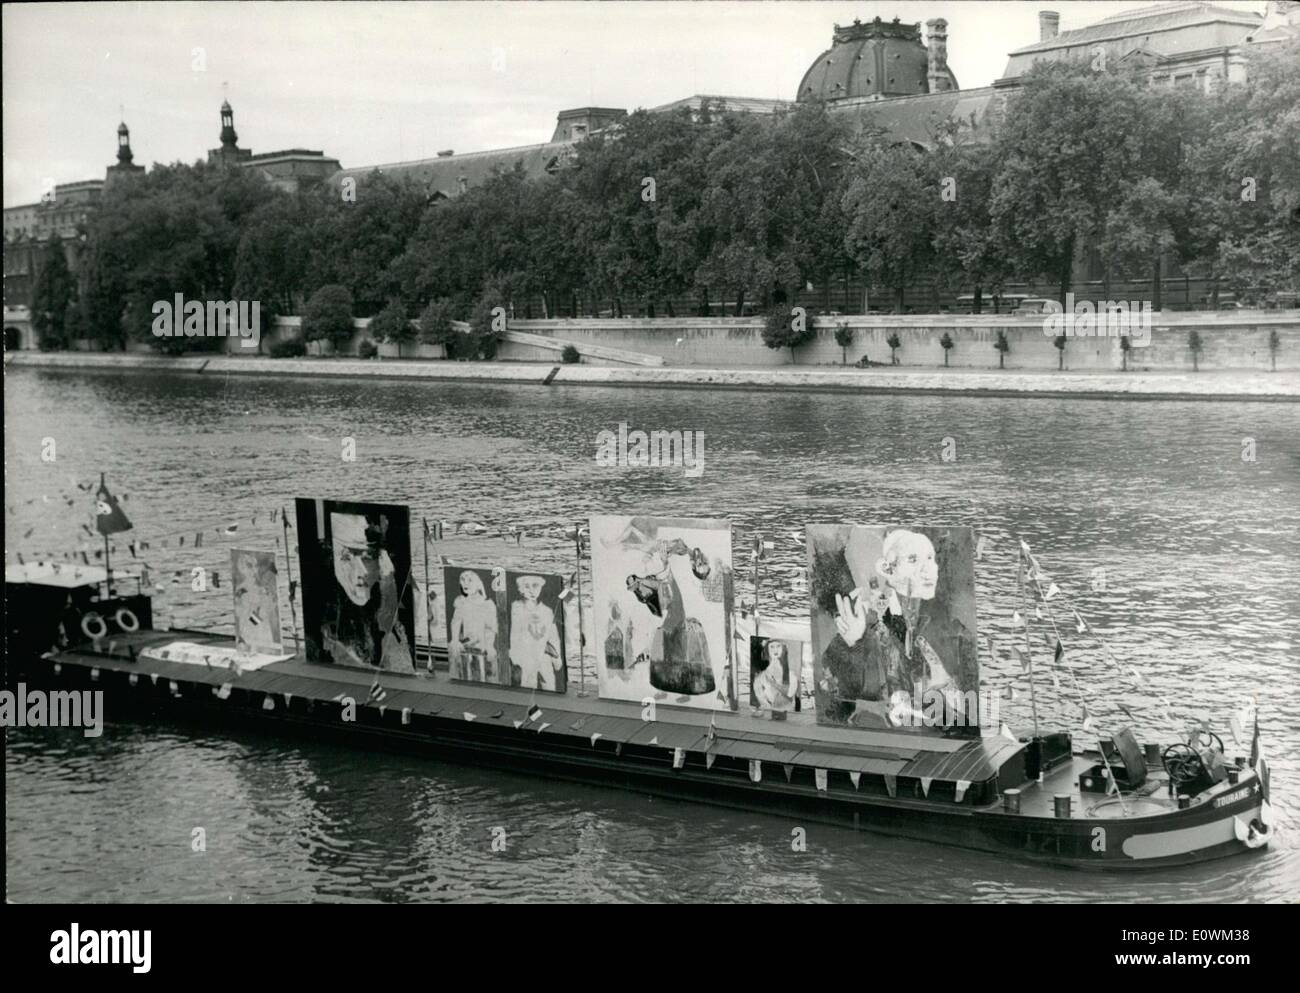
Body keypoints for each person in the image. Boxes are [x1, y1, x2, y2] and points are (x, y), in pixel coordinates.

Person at [819, 528, 959, 728]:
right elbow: (837, 695)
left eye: (930, 558)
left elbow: (957, 702)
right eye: (913, 559)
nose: (928, 569)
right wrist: (855, 643)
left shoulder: (943, 624)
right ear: (886, 569)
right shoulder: (864, 624)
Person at [318, 511, 413, 673]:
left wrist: (388, 585)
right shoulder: (325, 618)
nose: (362, 571)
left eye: (368, 556)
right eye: (346, 557)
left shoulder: (389, 608)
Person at [510, 575, 563, 691]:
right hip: (526, 656)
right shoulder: (516, 608)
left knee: (549, 684)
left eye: (535, 586)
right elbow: (514, 634)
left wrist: (556, 657)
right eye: (527, 586)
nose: (531, 591)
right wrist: (515, 657)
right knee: (528, 684)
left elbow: (553, 636)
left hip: (544, 655)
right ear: (521, 589)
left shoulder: (547, 611)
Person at [448, 570, 498, 681]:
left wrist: (489, 645)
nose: (465, 583)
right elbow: (455, 622)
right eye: (463, 580)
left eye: (470, 580)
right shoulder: (461, 602)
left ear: (478, 584)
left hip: (483, 643)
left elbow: (491, 628)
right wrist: (455, 640)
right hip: (467, 643)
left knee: (487, 664)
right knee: (453, 647)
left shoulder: (487, 605)